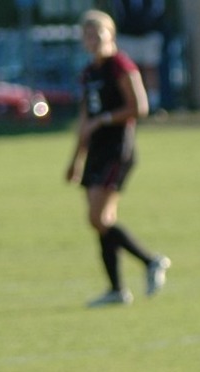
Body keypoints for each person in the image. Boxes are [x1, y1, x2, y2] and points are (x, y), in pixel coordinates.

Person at [66, 10, 169, 308]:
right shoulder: (88, 73)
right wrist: (75, 159)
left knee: (97, 217)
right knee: (101, 222)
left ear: (110, 35)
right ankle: (116, 290)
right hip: (96, 150)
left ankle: (151, 261)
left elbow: (140, 107)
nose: (93, 41)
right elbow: (85, 119)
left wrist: (105, 119)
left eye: (98, 34)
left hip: (117, 148)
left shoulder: (120, 65)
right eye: (87, 36)